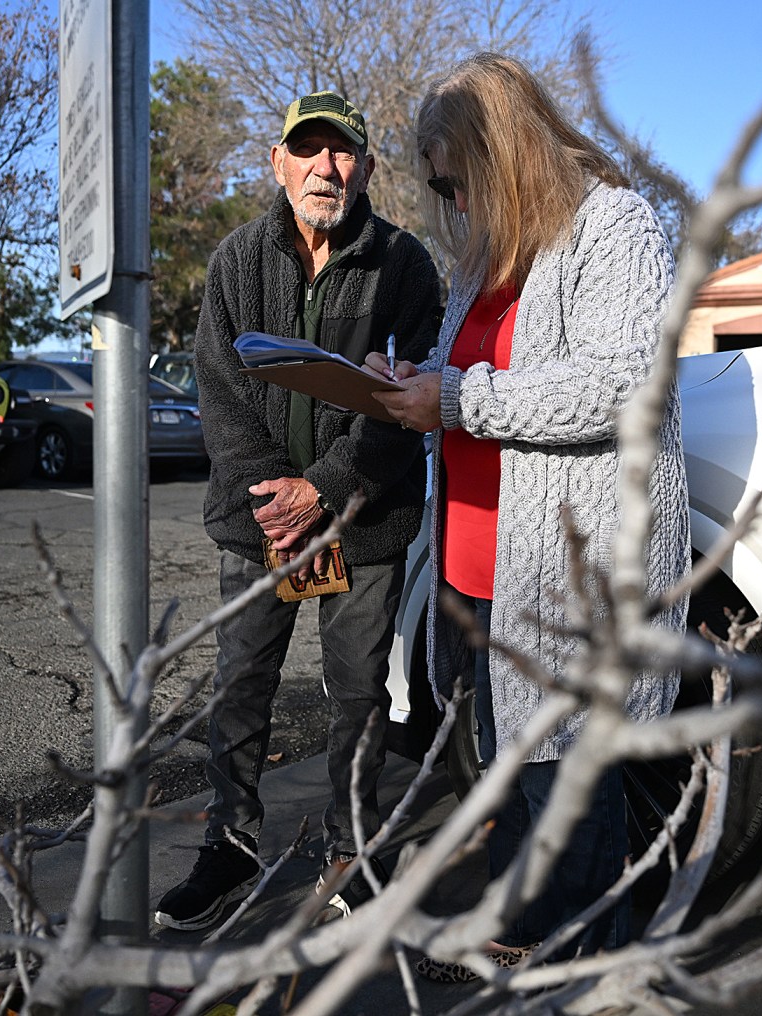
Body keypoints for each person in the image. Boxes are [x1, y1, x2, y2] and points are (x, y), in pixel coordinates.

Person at [368, 53, 688, 975]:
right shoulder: (484, 257)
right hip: (476, 573)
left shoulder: (612, 225)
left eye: (456, 180)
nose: (452, 200)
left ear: (501, 151)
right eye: (441, 188)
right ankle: (518, 940)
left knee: (568, 799)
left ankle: (583, 973)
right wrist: (410, 381)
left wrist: (454, 396)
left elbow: (621, 384)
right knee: (509, 775)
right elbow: (467, 376)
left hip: (563, 582)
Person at [154, 90, 440, 931]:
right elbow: (221, 396)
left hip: (364, 519)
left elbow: (404, 402)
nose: (326, 168)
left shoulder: (405, 264)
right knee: (242, 684)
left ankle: (352, 849)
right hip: (262, 521)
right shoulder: (237, 261)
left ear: (367, 167)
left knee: (358, 692)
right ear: (277, 162)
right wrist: (279, 496)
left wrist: (323, 489)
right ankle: (231, 844)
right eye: (307, 150)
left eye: (343, 151)